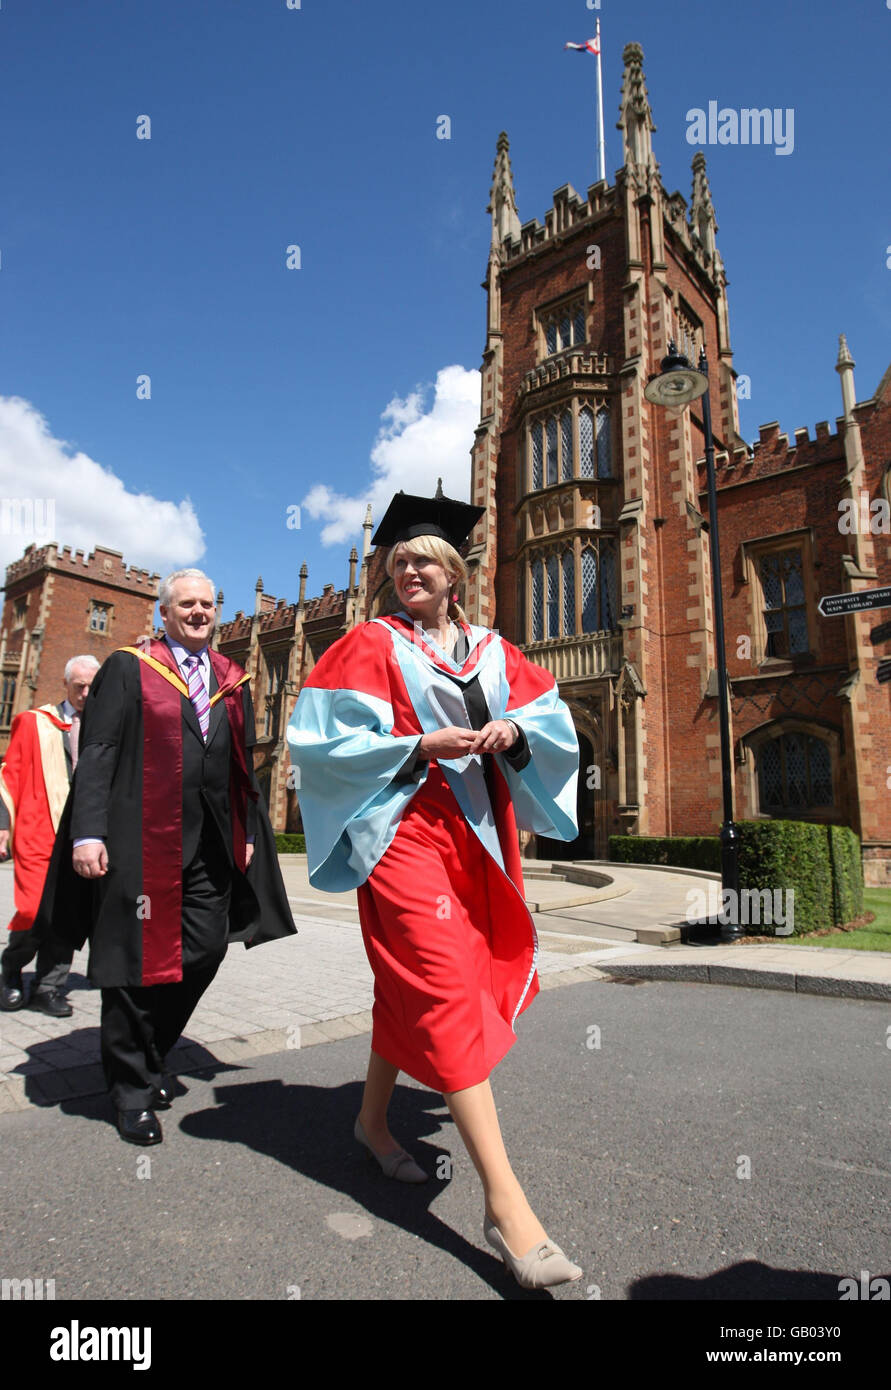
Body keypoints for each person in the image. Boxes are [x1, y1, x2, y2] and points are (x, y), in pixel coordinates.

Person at [287, 488, 582, 1290]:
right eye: (398, 560)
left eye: (424, 560)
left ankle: (372, 1120)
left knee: (410, 987)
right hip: (400, 835)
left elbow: (549, 714)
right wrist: (417, 744)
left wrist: (513, 731)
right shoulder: (367, 645)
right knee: (446, 985)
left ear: (454, 574)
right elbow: (318, 741)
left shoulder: (491, 648)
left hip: (476, 838)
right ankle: (507, 1205)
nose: (408, 568)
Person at [36, 569, 296, 1145]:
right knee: (133, 965)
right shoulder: (130, 668)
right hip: (140, 842)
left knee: (203, 951)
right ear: (165, 613)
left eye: (207, 603)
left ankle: (148, 1053)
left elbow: (241, 763)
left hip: (210, 845)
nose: (200, 612)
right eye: (187, 604)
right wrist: (88, 834)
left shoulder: (233, 677)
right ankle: (130, 1090)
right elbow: (100, 750)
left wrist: (249, 827)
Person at [0, 655, 99, 1017]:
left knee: (68, 913)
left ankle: (49, 986)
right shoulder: (34, 722)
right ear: (66, 685)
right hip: (40, 831)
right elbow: (9, 775)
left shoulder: (104, 728)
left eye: (93, 687)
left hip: (82, 836)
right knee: (34, 911)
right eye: (79, 687)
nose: (86, 693)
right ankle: (11, 969)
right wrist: (2, 826)